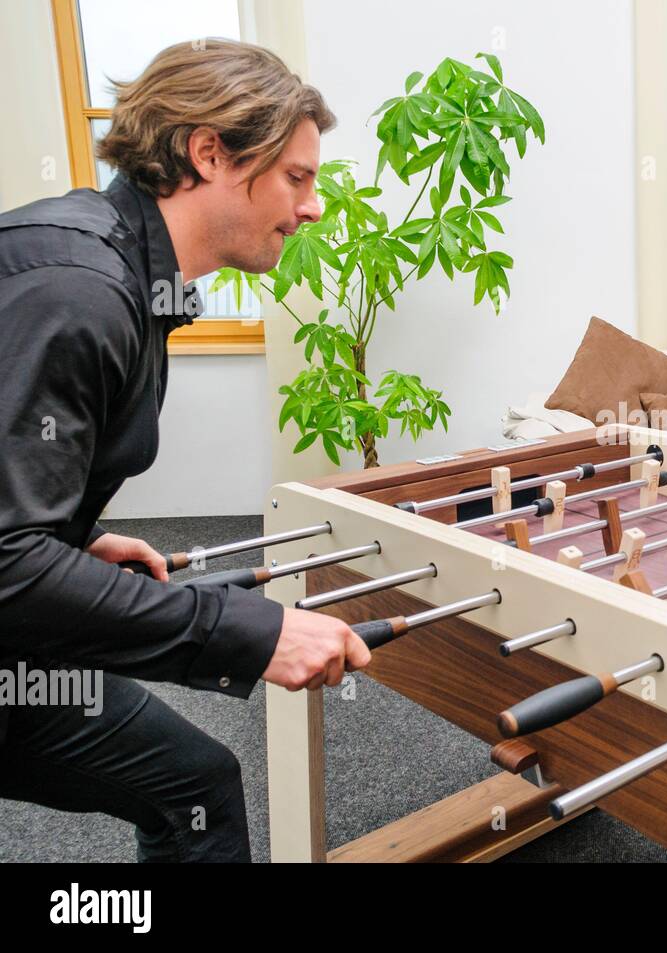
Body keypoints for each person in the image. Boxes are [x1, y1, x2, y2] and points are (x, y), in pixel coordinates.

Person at [0, 40, 371, 861]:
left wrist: (75, 539)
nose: (313, 206)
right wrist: (253, 630)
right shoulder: (81, 287)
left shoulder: (125, 276)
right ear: (209, 152)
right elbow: (7, 565)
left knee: (193, 785)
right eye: (297, 178)